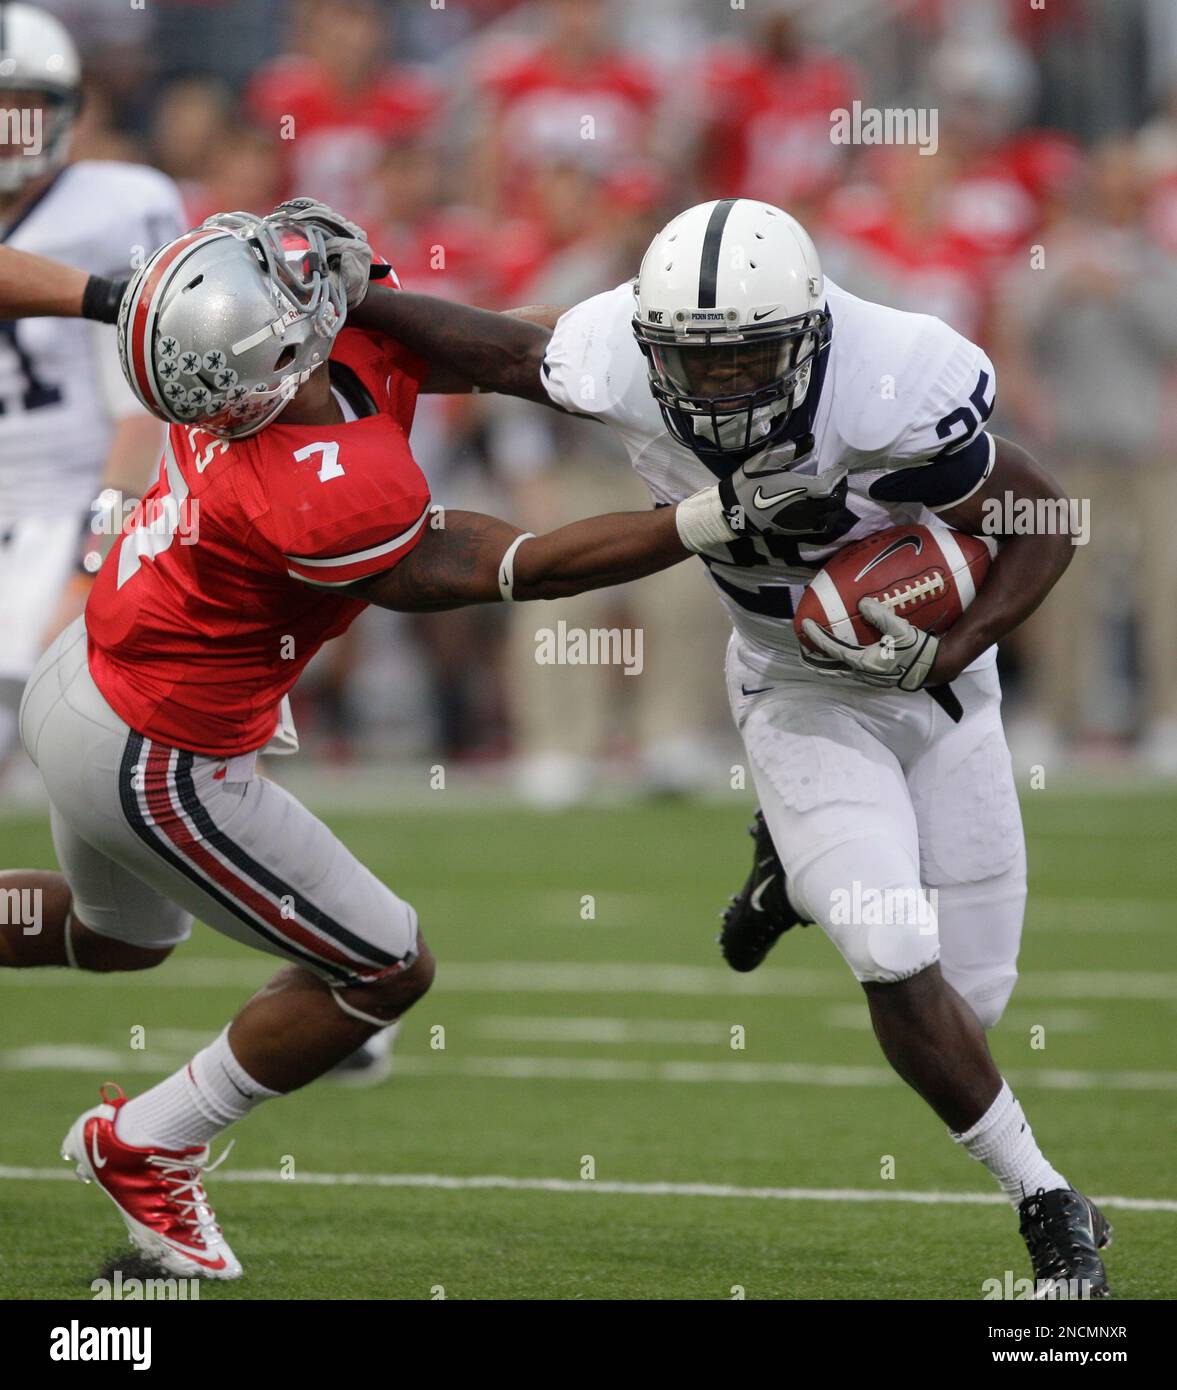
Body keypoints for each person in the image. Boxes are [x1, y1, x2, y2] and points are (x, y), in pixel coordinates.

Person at [0, 202, 808, 1280]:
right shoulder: (313, 485)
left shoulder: (231, 343)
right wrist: (700, 520)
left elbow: (516, 346)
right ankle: (145, 1141)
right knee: (382, 969)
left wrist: (674, 344)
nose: (311, 274)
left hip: (87, 676)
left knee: (121, 942)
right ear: (270, 356)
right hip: (155, 755)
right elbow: (528, 565)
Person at [346, 197, 1113, 1298]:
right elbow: (491, 349)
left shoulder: (891, 381)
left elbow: (1043, 517)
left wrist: (953, 648)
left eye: (745, 357)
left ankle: (790, 868)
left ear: (807, 334)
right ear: (651, 344)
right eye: (691, 362)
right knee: (894, 956)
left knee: (971, 1006)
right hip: (793, 685)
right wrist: (342, 307)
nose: (716, 387)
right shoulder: (612, 355)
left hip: (940, 689)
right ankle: (1050, 1205)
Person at [0, 3, 184, 774]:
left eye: (22, 110)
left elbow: (142, 407)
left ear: (66, 113)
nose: (8, 130)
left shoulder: (115, 207)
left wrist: (95, 555)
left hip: (76, 500)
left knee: (130, 745)